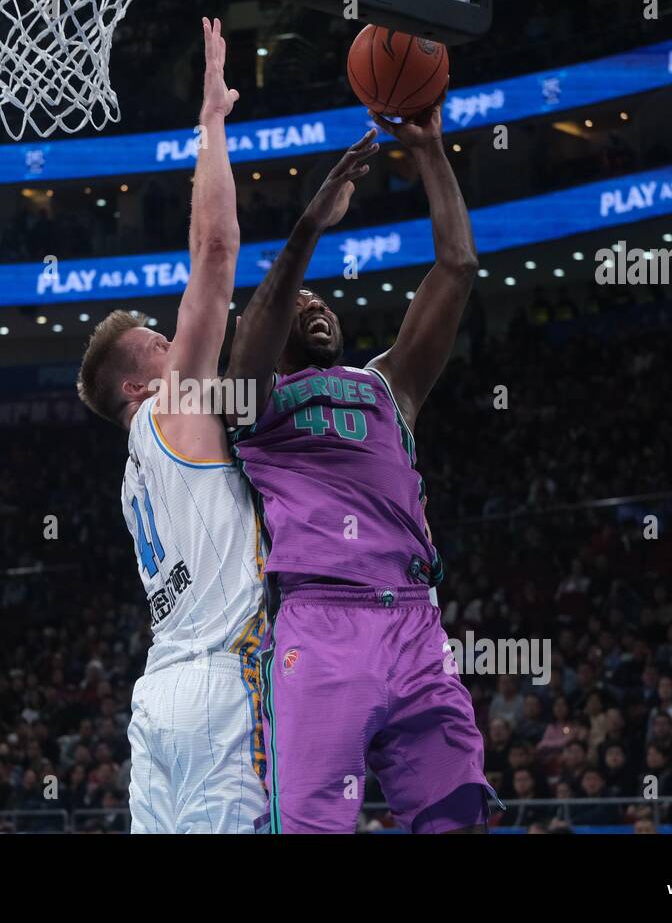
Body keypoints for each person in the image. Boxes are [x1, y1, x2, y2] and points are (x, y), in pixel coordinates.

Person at [223, 95, 496, 833]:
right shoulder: (253, 403)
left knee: (456, 813)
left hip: (414, 618)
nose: (315, 307)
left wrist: (430, 151)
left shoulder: (388, 385)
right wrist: (309, 227)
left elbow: (458, 264)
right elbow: (257, 327)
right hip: (320, 621)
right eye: (300, 303)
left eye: (323, 303)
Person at [75, 19, 265, 833]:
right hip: (222, 685)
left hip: (159, 694)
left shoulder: (133, 471)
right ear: (133, 379)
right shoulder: (174, 406)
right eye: (158, 338)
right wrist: (213, 120)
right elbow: (216, 252)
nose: (174, 334)